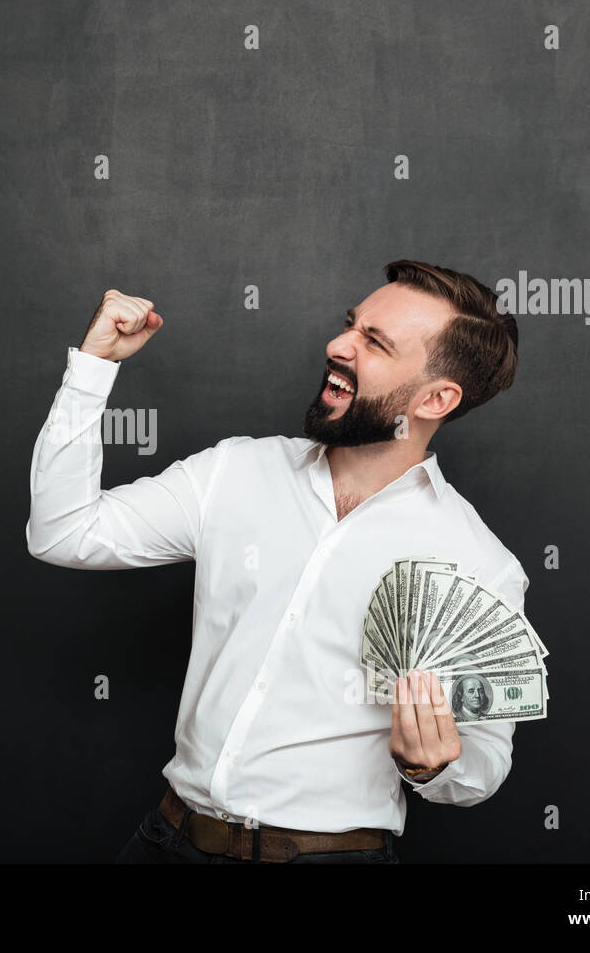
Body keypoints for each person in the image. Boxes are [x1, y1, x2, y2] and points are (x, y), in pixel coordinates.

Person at [26, 260, 530, 863]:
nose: (338, 345)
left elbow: (485, 763)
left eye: (375, 342)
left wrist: (435, 766)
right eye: (351, 325)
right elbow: (63, 532)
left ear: (437, 397)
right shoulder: (237, 470)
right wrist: (94, 367)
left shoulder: (480, 564)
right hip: (168, 841)